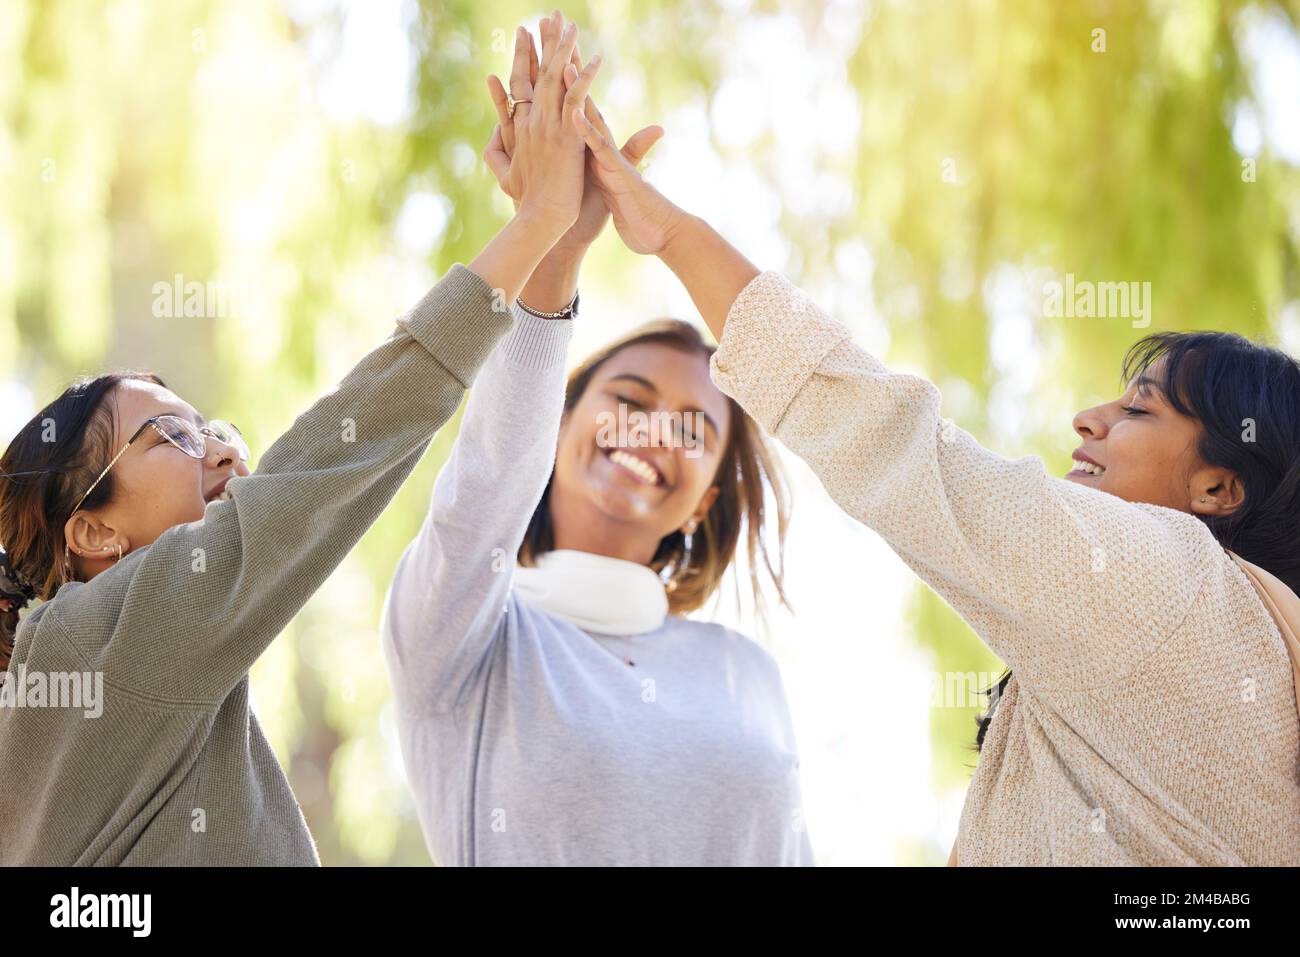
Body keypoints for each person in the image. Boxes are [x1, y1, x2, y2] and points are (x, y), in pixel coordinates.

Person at [565, 62, 1300, 865]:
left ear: (1219, 488)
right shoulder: (1196, 659)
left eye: (1139, 408)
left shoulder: (1177, 590)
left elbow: (902, 450)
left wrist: (673, 235)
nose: (1088, 419)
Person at [0, 10, 598, 865]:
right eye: (171, 435)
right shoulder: (95, 644)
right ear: (91, 530)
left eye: (214, 428)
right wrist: (535, 223)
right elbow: (315, 475)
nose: (219, 450)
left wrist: (549, 248)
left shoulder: (110, 696)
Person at [380, 19, 813, 866]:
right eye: (628, 398)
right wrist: (555, 237)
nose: (651, 431)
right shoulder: (464, 635)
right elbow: (492, 475)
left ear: (708, 498)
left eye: (693, 427)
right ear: (558, 420)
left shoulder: (746, 675)